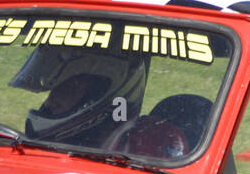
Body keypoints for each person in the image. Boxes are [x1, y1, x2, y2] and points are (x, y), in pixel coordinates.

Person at [10, 45, 149, 149]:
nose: (49, 102)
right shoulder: (24, 149)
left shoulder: (133, 158)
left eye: (67, 89)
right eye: (54, 88)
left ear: (97, 93)